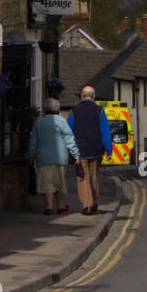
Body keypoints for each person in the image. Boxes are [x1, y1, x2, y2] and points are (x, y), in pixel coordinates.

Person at [67, 86, 113, 215]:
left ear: (81, 96)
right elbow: (105, 133)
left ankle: (87, 205)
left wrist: (69, 150)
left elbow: (68, 132)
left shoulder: (73, 111)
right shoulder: (99, 111)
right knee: (93, 177)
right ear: (94, 97)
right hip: (96, 150)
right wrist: (109, 150)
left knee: (83, 178)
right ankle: (94, 203)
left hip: (80, 150)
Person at [29, 102, 79, 215]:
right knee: (60, 182)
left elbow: (33, 142)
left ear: (45, 110)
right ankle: (61, 206)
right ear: (58, 110)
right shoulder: (61, 121)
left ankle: (49, 207)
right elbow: (69, 139)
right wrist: (76, 155)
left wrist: (31, 156)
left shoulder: (39, 122)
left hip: (43, 158)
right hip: (60, 158)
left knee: (47, 183)